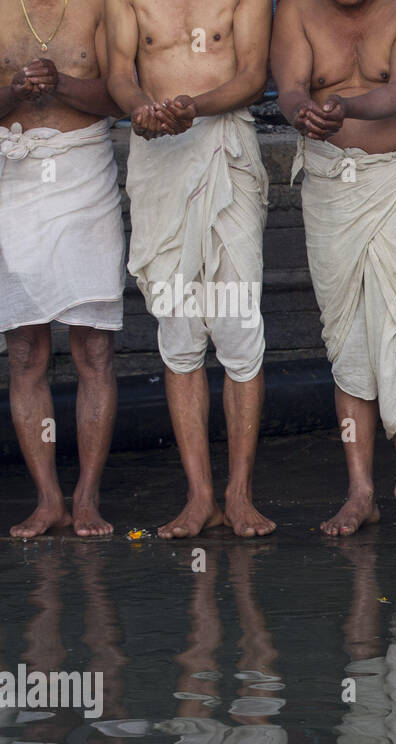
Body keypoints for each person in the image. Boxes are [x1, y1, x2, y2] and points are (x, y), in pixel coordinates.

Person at [271, 0, 396, 537]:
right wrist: (303, 111)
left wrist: (343, 107)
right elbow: (290, 89)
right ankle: (361, 490)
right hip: (331, 185)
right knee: (346, 335)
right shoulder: (298, 9)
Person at [106, 0, 276, 538]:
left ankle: (239, 493)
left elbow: (252, 76)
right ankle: (200, 496)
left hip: (225, 147)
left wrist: (192, 107)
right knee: (178, 333)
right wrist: (142, 109)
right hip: (158, 152)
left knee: (238, 327)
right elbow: (118, 70)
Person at [1, 0, 124, 538]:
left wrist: (62, 86)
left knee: (93, 347)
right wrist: (14, 92)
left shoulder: (100, 5)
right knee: (26, 349)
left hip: (84, 175)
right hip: (14, 176)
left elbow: (121, 94)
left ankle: (87, 497)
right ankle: (48, 498)